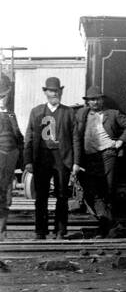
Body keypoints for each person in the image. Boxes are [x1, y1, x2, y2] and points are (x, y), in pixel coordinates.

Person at [74, 85, 126, 237]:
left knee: (106, 190)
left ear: (101, 100)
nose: (94, 103)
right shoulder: (82, 114)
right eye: (91, 100)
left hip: (107, 154)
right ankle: (110, 225)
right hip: (89, 157)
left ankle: (107, 228)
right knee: (91, 191)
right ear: (87, 102)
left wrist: (120, 141)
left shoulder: (112, 114)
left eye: (96, 99)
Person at [23, 77, 78, 239]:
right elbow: (29, 137)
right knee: (41, 196)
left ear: (61, 92)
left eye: (57, 90)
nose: (54, 93)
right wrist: (28, 161)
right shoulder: (37, 111)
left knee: (62, 195)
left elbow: (75, 138)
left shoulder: (68, 112)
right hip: (42, 157)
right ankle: (40, 231)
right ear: (45, 92)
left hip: (62, 157)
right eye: (51, 90)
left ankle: (60, 230)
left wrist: (76, 162)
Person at [0, 76, 22, 240]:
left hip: (9, 162)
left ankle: (1, 233)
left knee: (6, 197)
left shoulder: (11, 115)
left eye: (4, 95)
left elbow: (18, 138)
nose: (3, 98)